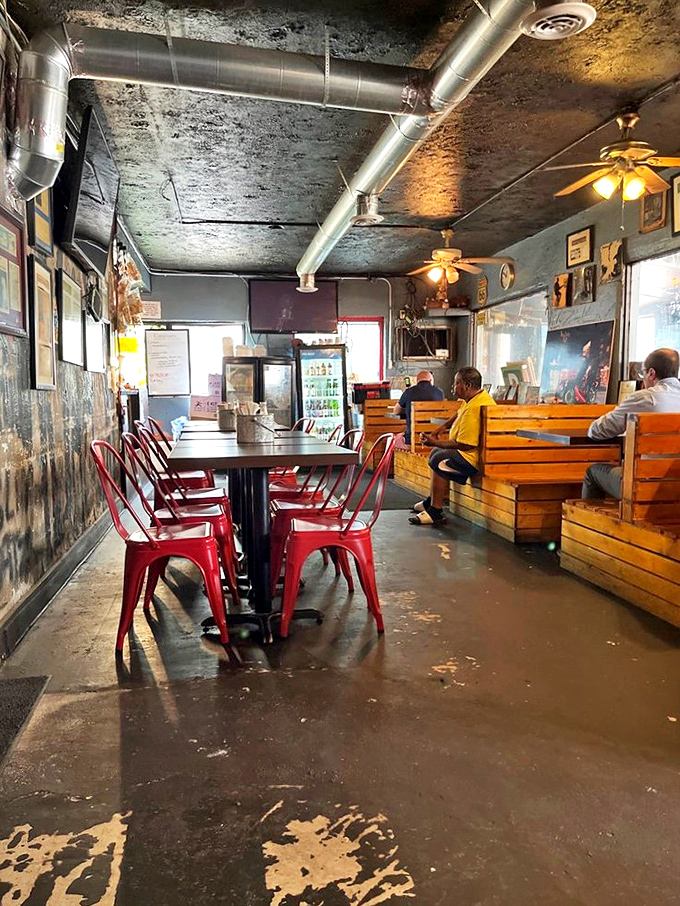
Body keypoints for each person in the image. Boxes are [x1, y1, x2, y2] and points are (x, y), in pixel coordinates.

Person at [582, 347, 680, 500]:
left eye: (643, 373)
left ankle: (590, 517)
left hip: (645, 485)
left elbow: (597, 431)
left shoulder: (646, 398)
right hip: (676, 486)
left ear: (651, 373)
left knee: (593, 472)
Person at [409, 367, 495, 525]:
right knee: (436, 453)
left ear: (467, 386)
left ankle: (435, 512)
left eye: (456, 384)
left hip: (474, 459)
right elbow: (458, 414)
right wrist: (442, 428)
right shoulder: (475, 398)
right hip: (472, 453)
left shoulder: (474, 408)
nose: (453, 387)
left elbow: (465, 445)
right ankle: (431, 501)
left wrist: (435, 442)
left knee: (440, 459)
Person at [392, 371, 444, 448]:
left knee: (393, 441)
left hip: (412, 440)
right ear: (430, 380)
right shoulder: (440, 392)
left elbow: (396, 411)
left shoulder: (409, 392)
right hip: (434, 439)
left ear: (417, 381)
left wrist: (407, 409)